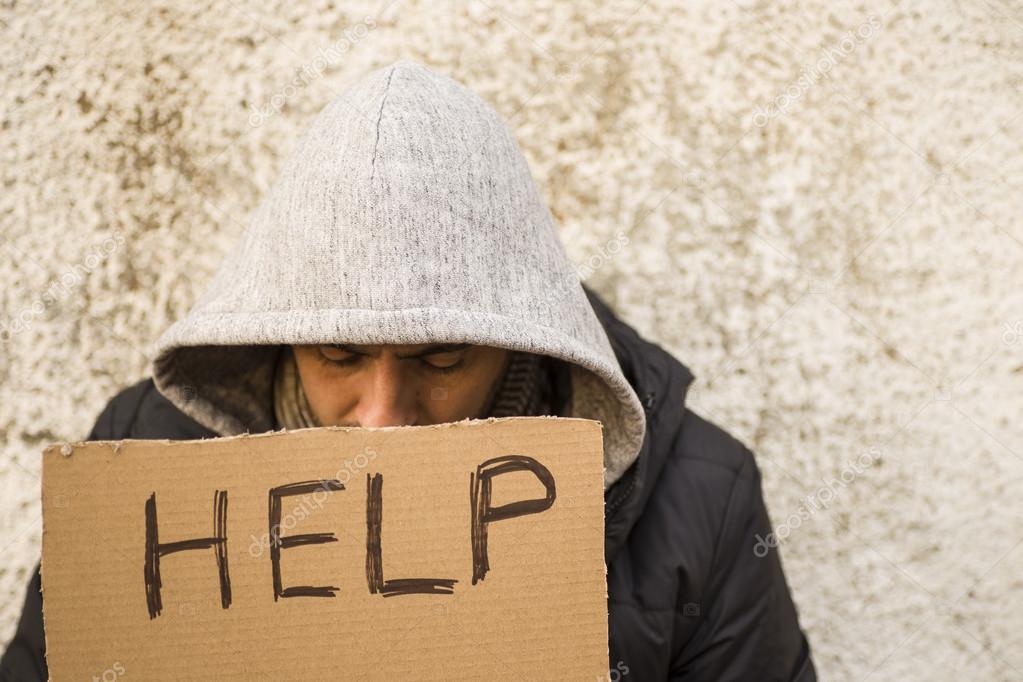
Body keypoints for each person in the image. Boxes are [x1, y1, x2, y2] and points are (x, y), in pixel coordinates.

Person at [1, 59, 816, 680]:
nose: (384, 417)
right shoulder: (145, 460)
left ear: (523, 341)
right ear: (283, 335)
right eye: (340, 356)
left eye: (442, 359)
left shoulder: (701, 500)